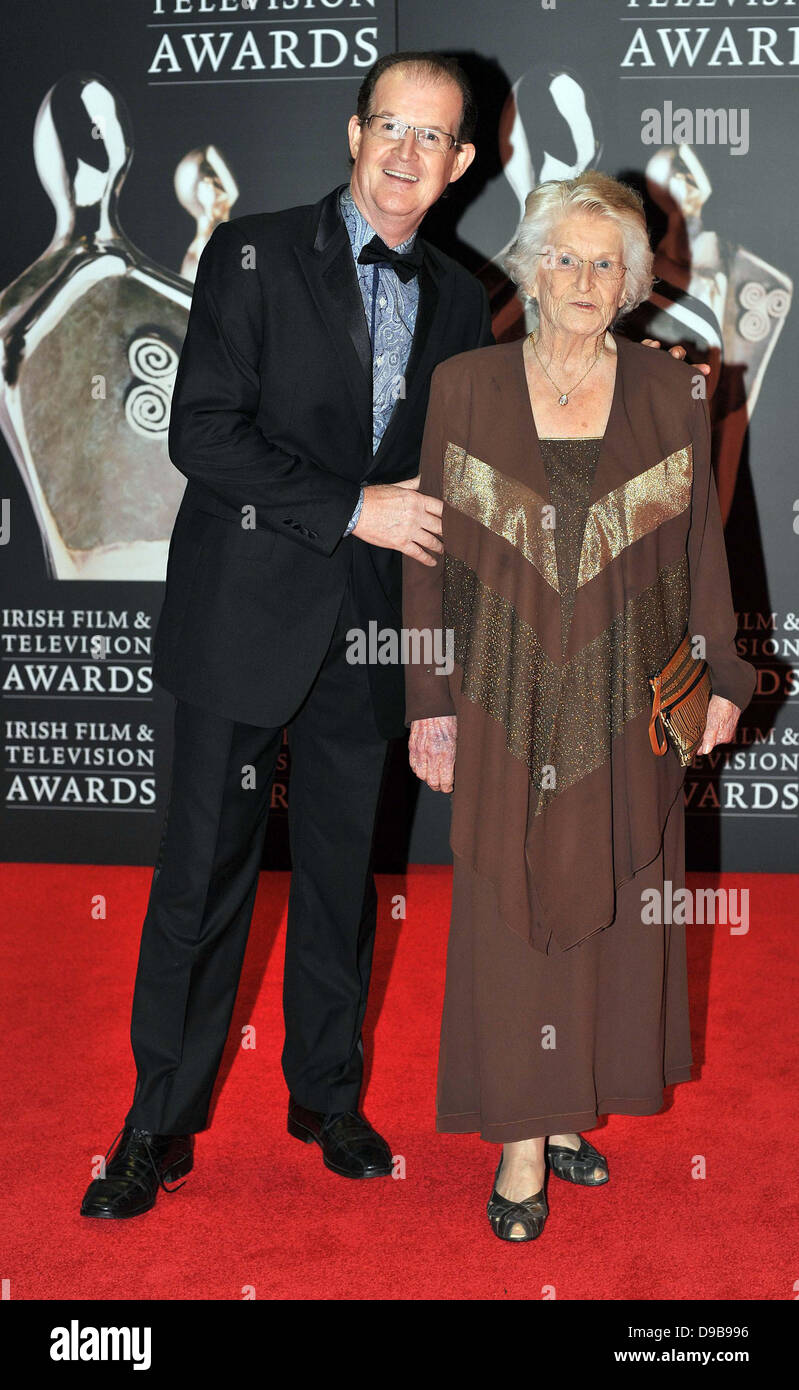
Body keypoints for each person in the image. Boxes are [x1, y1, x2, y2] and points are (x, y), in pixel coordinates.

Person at [80, 51, 489, 1219]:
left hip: (367, 634)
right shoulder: (250, 252)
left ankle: (326, 1093)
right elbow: (201, 433)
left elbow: (461, 480)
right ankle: (157, 1119)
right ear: (351, 134)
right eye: (388, 129)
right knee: (200, 878)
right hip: (241, 615)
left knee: (338, 881)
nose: (405, 155)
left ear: (461, 163)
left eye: (432, 139)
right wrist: (353, 505)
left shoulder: (464, 299)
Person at [403, 170, 755, 1242]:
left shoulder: (671, 392)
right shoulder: (462, 385)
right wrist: (429, 696)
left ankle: (565, 1110)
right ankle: (518, 1138)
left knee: (610, 900)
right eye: (564, 257)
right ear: (530, 266)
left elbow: (701, 552)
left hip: (624, 699)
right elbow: (426, 560)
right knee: (514, 908)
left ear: (636, 281)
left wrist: (725, 680)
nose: (583, 279)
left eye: (607, 262)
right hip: (502, 697)